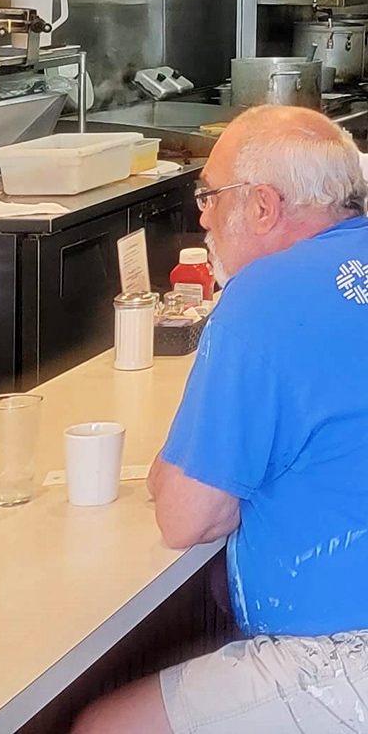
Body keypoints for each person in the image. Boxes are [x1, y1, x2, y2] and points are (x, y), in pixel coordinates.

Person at [72, 105, 368, 734]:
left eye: (210, 196)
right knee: (210, 599)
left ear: (262, 206)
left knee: (103, 726)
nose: (201, 217)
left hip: (352, 652)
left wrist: (177, 473)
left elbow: (188, 517)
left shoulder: (263, 297)